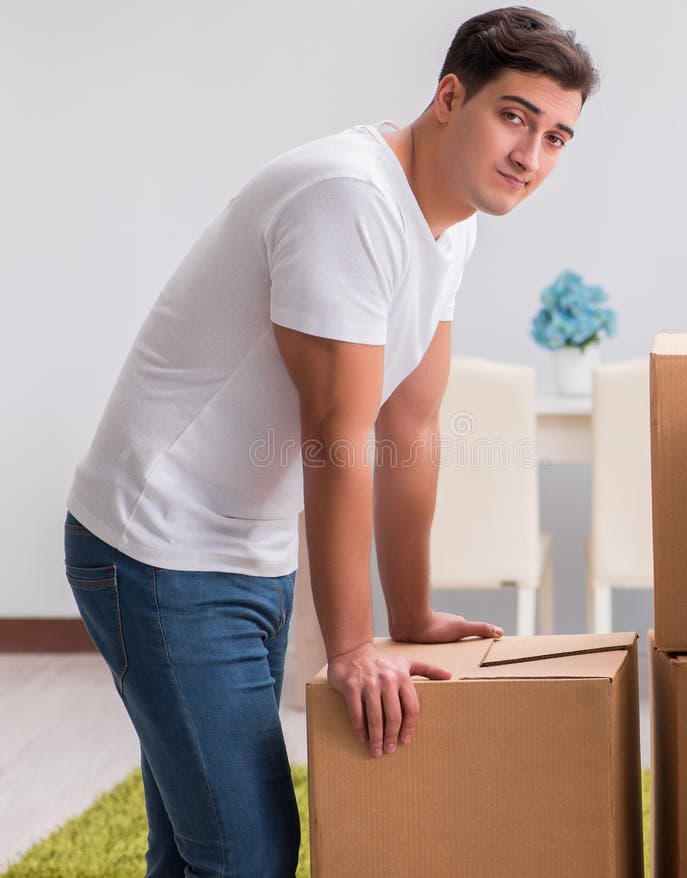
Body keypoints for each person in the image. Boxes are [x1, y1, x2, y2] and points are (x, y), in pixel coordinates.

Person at [64, 6, 598, 876]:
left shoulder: (450, 222)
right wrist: (352, 647)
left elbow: (410, 426)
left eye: (557, 138)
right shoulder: (350, 198)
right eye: (514, 117)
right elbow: (337, 434)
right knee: (247, 855)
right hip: (157, 545)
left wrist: (412, 614)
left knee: (197, 848)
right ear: (450, 97)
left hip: (248, 546)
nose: (530, 158)